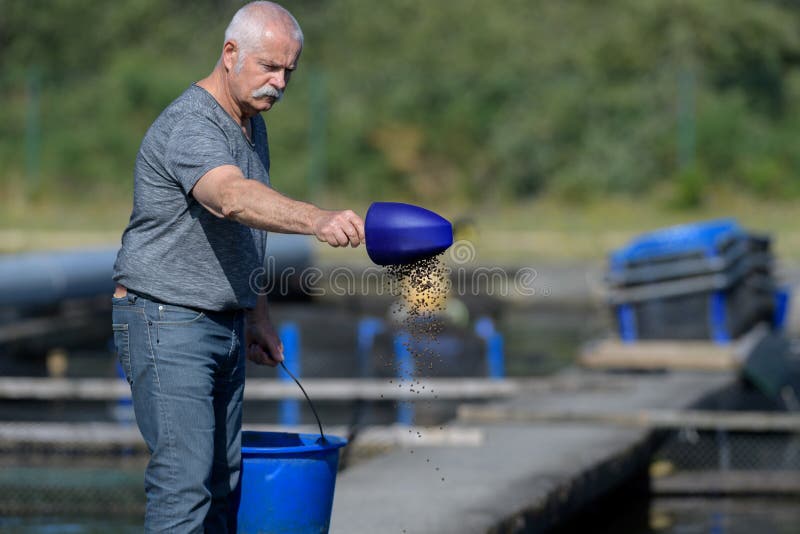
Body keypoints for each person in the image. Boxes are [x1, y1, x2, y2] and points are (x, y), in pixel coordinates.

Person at [111, 2, 364, 531]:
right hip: (166, 318)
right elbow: (230, 198)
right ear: (230, 54)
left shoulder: (251, 124)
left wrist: (257, 314)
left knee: (225, 483)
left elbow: (246, 232)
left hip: (224, 320)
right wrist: (316, 220)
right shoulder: (190, 123)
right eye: (268, 66)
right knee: (184, 485)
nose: (279, 83)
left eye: (288, 71)